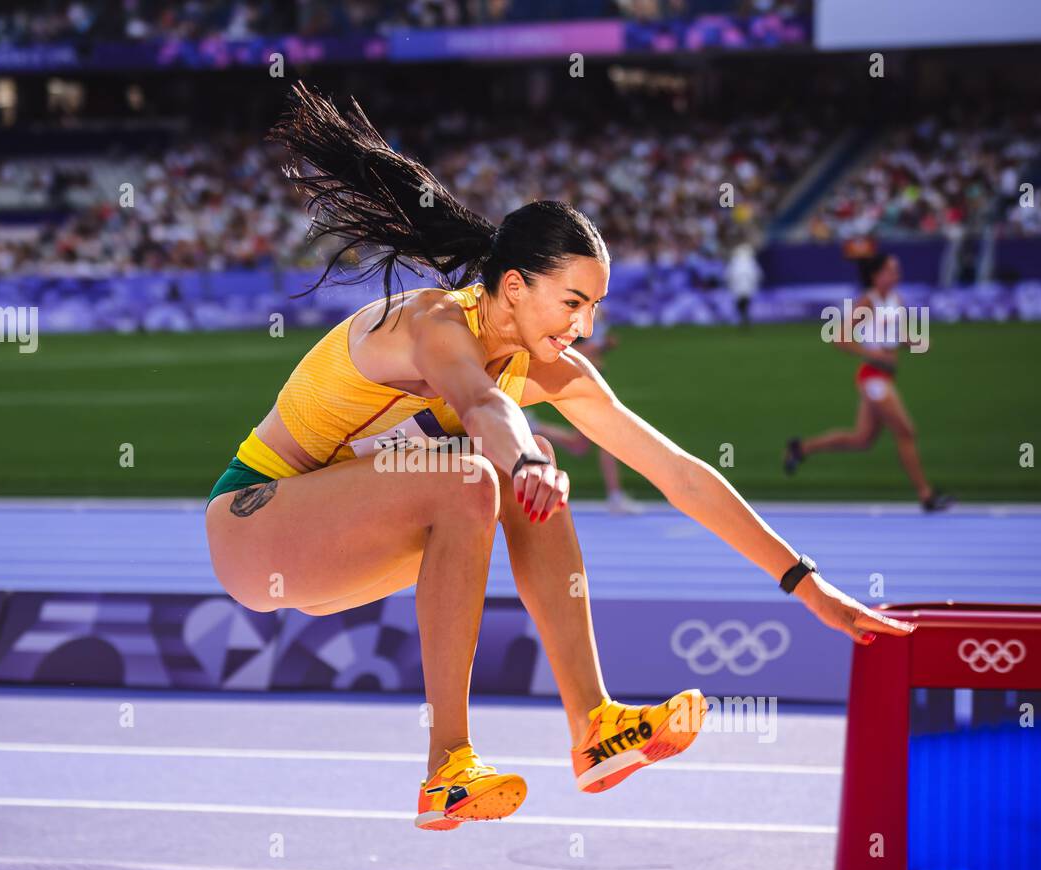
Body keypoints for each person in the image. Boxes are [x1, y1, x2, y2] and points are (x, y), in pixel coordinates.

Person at [204, 82, 916, 831]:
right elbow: (482, 408)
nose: (584, 325)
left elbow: (677, 473)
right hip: (256, 526)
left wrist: (808, 586)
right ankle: (447, 766)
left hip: (344, 545)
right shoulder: (434, 325)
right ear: (513, 286)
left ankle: (595, 728)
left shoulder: (550, 367)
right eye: (573, 303)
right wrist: (523, 464)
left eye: (596, 308)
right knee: (478, 474)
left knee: (507, 465)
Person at [784, 252, 954, 512]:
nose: (897, 274)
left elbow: (892, 336)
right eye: (891, 270)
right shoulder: (868, 302)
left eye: (897, 269)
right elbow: (839, 337)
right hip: (872, 377)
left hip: (885, 376)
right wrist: (871, 353)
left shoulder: (896, 300)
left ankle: (801, 448)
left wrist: (914, 343)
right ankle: (926, 494)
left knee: (862, 440)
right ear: (876, 275)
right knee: (906, 432)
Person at [524, 301, 647, 514]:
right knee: (610, 438)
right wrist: (603, 346)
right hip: (582, 380)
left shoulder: (598, 309)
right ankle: (615, 496)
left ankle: (531, 426)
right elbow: (568, 350)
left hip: (595, 378)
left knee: (579, 445)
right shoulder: (574, 312)